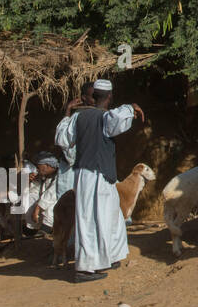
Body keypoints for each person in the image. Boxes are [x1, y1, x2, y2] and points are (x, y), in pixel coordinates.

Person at [55, 79, 145, 282]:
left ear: (93, 96)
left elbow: (62, 138)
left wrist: (67, 112)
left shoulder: (78, 118)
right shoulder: (107, 118)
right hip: (94, 176)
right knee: (89, 220)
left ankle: (111, 256)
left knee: (112, 216)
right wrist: (131, 107)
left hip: (97, 176)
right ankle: (85, 269)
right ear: (110, 97)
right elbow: (118, 119)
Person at [53, 81, 95, 199]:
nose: (96, 100)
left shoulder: (100, 116)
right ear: (84, 98)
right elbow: (63, 139)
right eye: (93, 97)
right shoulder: (78, 117)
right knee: (69, 206)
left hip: (89, 172)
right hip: (71, 171)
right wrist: (68, 109)